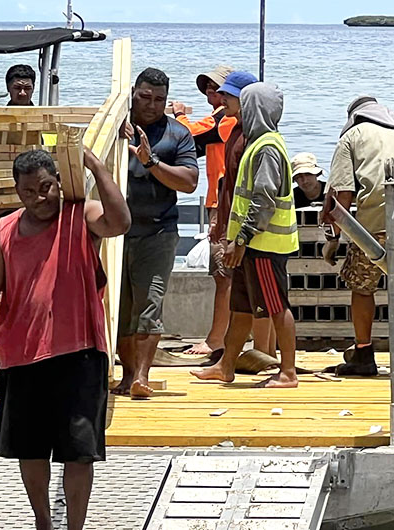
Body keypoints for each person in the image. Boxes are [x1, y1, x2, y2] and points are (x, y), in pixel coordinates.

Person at [0, 148, 130, 530]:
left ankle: (74, 527)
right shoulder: (6, 229)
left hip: (81, 352)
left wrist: (97, 167)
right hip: (22, 356)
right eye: (29, 192)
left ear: (57, 181)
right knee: (29, 450)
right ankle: (42, 521)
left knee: (79, 452)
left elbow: (119, 222)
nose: (40, 198)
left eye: (46, 187)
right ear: (18, 192)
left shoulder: (78, 215)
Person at [193, 82, 299, 388]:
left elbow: (263, 199)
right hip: (248, 244)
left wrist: (241, 239)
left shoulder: (266, 147)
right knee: (240, 307)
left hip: (264, 245)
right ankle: (226, 365)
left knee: (276, 306)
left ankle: (288, 372)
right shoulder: (256, 143)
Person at [320, 96, 394, 375]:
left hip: (376, 221)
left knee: (362, 285)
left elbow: (341, 194)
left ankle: (363, 352)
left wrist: (333, 238)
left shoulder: (353, 135)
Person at [113, 68, 199, 399]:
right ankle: (127, 374)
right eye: (145, 97)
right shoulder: (115, 128)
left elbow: (189, 181)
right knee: (120, 306)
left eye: (160, 100)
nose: (151, 105)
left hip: (159, 231)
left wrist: (151, 163)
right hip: (116, 233)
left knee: (149, 304)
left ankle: (142, 377)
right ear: (133, 93)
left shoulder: (177, 134)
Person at [170, 65, 236, 357]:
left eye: (217, 87)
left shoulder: (226, 120)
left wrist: (179, 114)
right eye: (208, 86)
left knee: (223, 275)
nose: (211, 90)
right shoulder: (220, 118)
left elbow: (194, 131)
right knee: (227, 275)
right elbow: (195, 144)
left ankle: (216, 340)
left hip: (224, 203)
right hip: (217, 199)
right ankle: (231, 340)